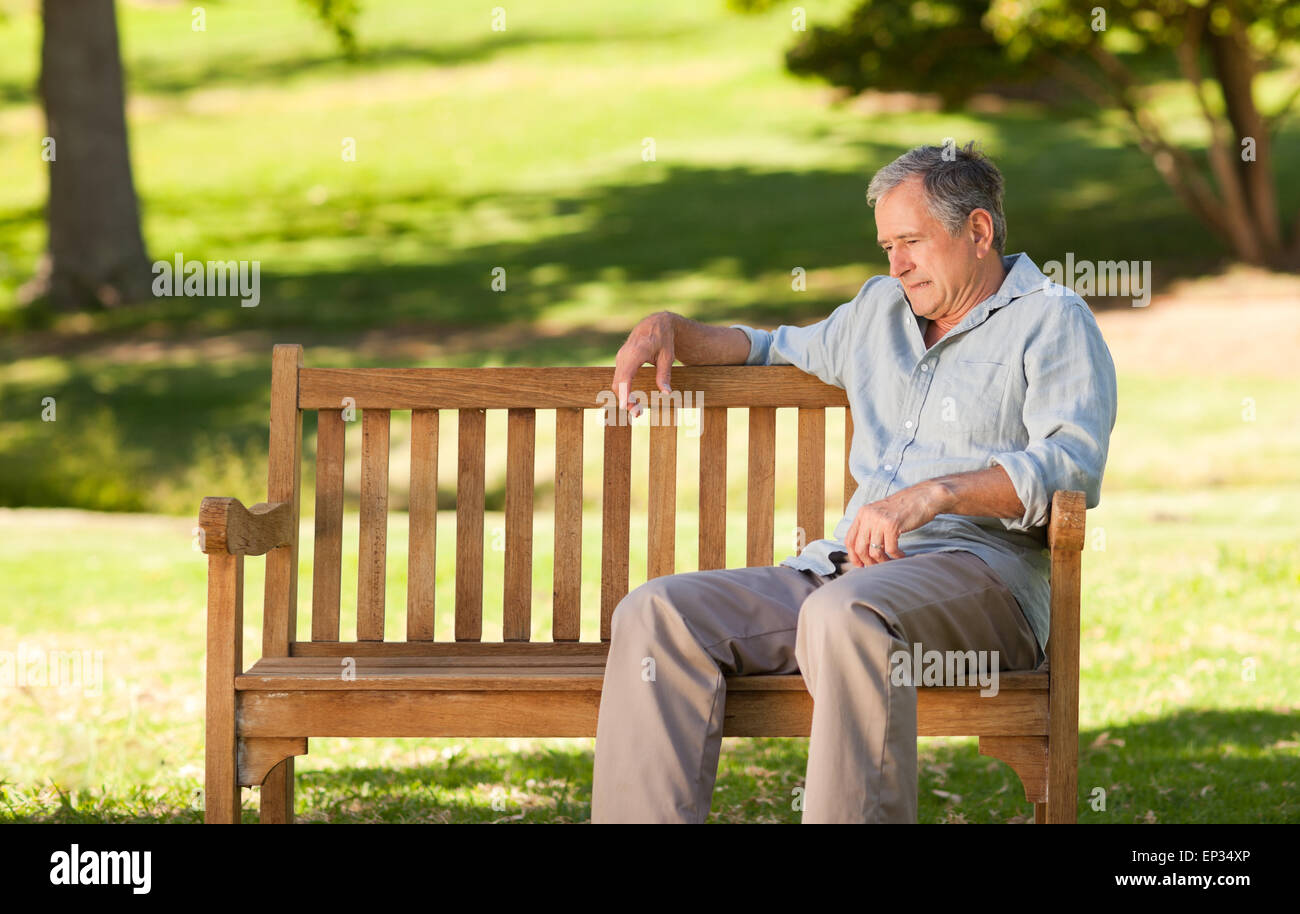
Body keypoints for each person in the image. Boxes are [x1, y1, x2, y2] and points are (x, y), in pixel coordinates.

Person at [591, 141, 1118, 823]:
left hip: (982, 582)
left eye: (911, 242)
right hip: (842, 572)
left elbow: (1070, 465)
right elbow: (769, 346)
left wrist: (937, 493)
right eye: (886, 247)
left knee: (845, 616)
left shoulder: (1053, 321)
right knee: (657, 613)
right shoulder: (878, 312)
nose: (896, 264)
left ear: (978, 231)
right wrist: (672, 329)